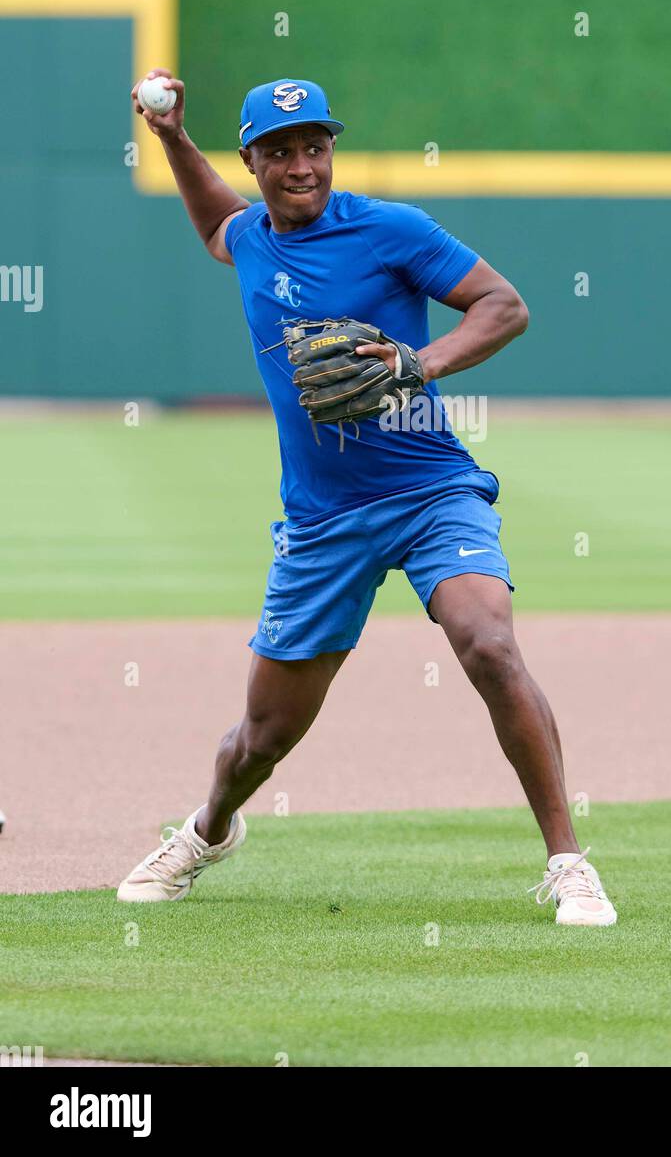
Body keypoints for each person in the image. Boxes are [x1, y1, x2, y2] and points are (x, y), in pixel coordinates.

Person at [116, 72, 617, 927]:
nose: (302, 164)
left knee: (488, 644)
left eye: (315, 145)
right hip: (322, 521)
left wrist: (422, 363)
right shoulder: (252, 240)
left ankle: (570, 863)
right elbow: (212, 221)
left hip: (430, 489)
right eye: (280, 151)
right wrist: (170, 141)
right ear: (254, 161)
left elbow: (505, 305)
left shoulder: (392, 229)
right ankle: (207, 830)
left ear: (331, 150)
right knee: (261, 741)